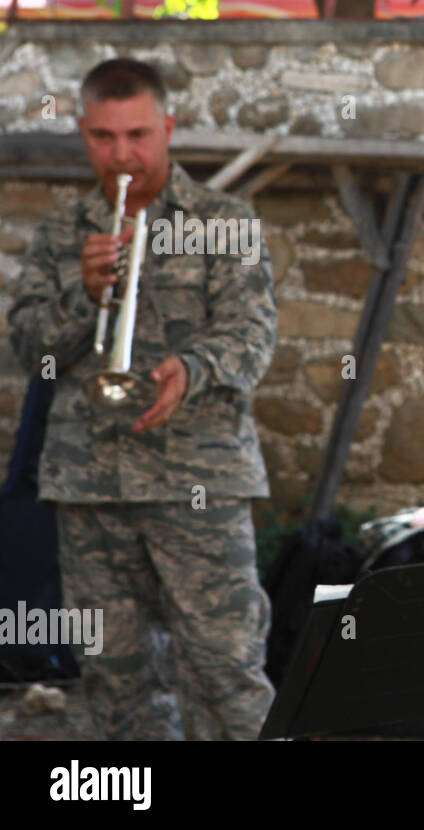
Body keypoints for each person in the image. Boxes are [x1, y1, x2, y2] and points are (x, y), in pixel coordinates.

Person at [7, 58, 278, 740]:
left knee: (227, 673)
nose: (121, 154)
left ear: (167, 128)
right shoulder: (64, 234)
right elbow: (28, 348)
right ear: (82, 133)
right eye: (103, 137)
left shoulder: (225, 221)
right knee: (115, 682)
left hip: (201, 481)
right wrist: (84, 295)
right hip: (90, 485)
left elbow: (253, 335)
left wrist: (193, 367)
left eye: (137, 134)